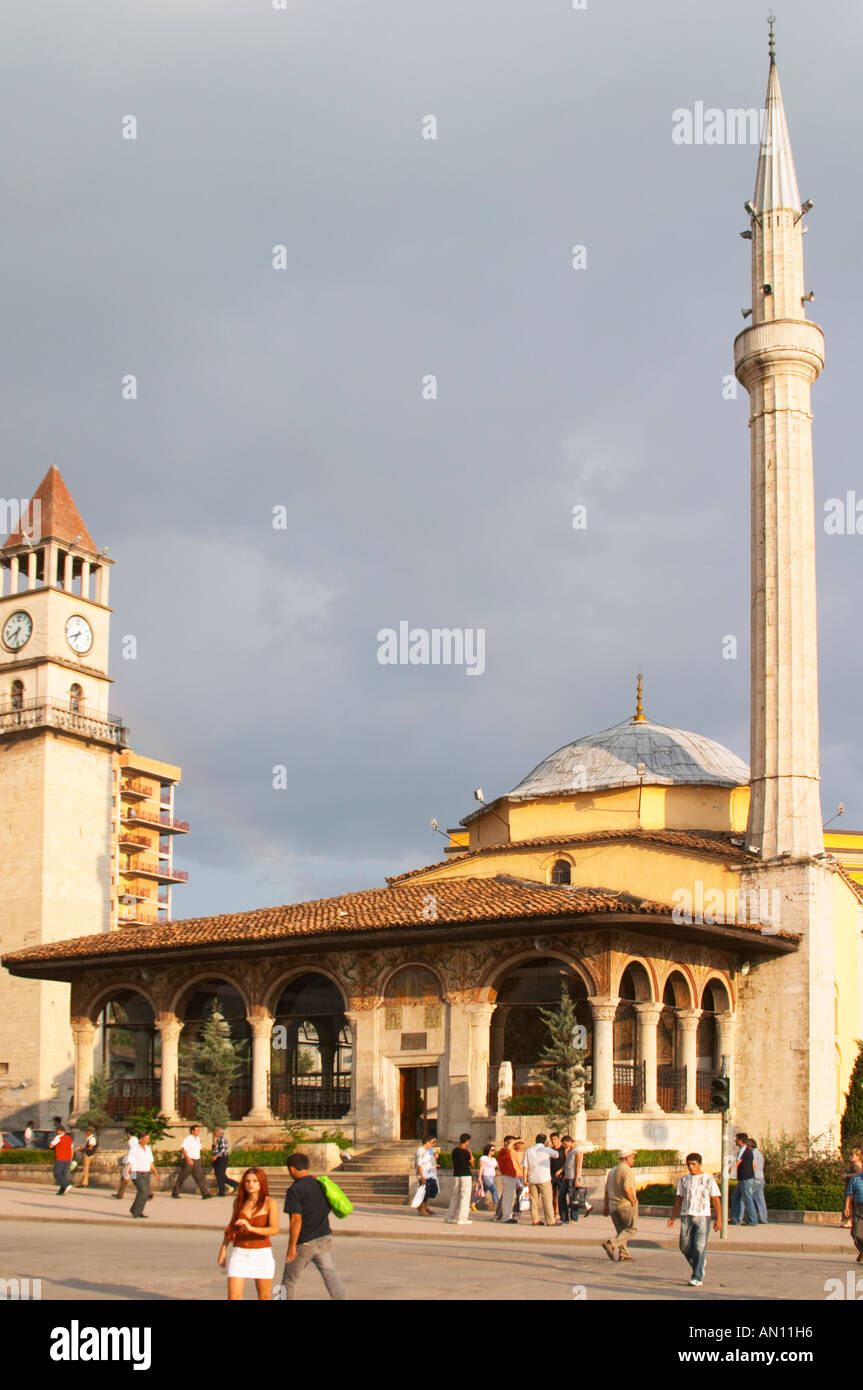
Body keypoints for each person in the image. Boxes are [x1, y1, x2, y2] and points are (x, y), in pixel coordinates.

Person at [280, 1153, 347, 1299]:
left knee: (289, 1281)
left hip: (305, 1242)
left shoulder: (295, 1190)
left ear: (291, 1169)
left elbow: (296, 1219)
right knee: (331, 1276)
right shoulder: (320, 1183)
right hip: (325, 1237)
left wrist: (292, 1246)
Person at [218, 1168, 280, 1299]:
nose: (250, 1184)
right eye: (247, 1181)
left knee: (264, 1297)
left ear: (261, 1183)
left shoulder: (270, 1203)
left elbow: (274, 1230)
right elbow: (231, 1227)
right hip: (240, 1253)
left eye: (255, 1181)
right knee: (233, 1297)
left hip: (262, 1254)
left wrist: (251, 1228)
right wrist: (223, 1249)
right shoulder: (239, 1202)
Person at [666, 1152, 722, 1286]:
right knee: (684, 1245)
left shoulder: (709, 1179)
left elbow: (716, 1199)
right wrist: (673, 1217)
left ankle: (697, 1276)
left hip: (702, 1216)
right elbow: (679, 1199)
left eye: (694, 1164)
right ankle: (699, 1263)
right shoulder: (684, 1180)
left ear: (700, 1164)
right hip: (686, 1215)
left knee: (699, 1246)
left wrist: (719, 1219)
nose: (691, 1167)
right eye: (689, 1164)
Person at [602, 1147, 639, 1262]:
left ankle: (623, 1254)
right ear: (626, 1158)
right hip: (625, 1204)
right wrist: (633, 1200)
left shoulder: (612, 1171)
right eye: (632, 1157)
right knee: (632, 1228)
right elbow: (627, 1188)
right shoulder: (626, 1170)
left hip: (613, 1205)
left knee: (621, 1231)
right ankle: (611, 1243)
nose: (634, 1160)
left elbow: (606, 1190)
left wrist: (606, 1206)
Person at [523, 1133, 558, 1227]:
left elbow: (525, 1166)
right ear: (545, 1141)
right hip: (544, 1178)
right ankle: (550, 1220)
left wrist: (525, 1179)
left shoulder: (529, 1150)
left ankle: (535, 1220)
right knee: (547, 1200)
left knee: (533, 1201)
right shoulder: (546, 1150)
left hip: (532, 1178)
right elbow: (556, 1155)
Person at [171, 1124, 212, 1200]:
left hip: (197, 1161)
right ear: (192, 1131)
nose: (198, 1131)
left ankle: (205, 1193)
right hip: (189, 1161)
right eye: (197, 1130)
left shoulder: (198, 1139)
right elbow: (183, 1149)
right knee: (182, 1177)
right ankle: (175, 1192)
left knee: (200, 1177)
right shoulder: (188, 1139)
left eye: (199, 1130)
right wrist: (188, 1159)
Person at [729, 1133, 761, 1226]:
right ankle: (735, 1219)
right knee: (735, 1197)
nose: (735, 1141)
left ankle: (753, 1221)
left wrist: (727, 1173)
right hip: (744, 1178)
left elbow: (737, 1163)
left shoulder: (744, 1150)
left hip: (745, 1178)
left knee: (747, 1199)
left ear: (740, 1140)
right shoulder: (747, 1150)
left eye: (736, 1139)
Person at [446, 1133, 475, 1225]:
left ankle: (450, 1217)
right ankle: (462, 1218)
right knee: (465, 1197)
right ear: (467, 1141)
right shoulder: (466, 1151)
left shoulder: (454, 1150)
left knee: (454, 1196)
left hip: (456, 1175)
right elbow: (472, 1163)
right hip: (465, 1175)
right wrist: (471, 1155)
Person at [128, 1131, 156, 1219]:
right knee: (143, 1191)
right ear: (141, 1140)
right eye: (147, 1139)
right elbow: (130, 1162)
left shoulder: (148, 1148)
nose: (148, 1140)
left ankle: (139, 1211)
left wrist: (154, 1171)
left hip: (146, 1173)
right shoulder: (134, 1149)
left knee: (145, 1193)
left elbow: (150, 1161)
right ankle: (135, 1210)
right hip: (135, 1173)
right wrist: (127, 1175)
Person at [497, 1135, 522, 1223]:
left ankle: (508, 1215)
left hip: (511, 1176)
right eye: (511, 1143)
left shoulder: (509, 1152)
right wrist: (514, 1142)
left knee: (510, 1197)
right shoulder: (504, 1150)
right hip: (507, 1176)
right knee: (507, 1197)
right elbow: (508, 1148)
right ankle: (505, 1217)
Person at [842, 1163, 863, 1264]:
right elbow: (850, 1193)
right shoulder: (855, 1179)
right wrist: (847, 1207)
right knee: (856, 1234)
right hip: (858, 1208)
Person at [414, 1136, 439, 1216]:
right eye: (431, 1142)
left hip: (429, 1173)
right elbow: (419, 1164)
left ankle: (424, 1206)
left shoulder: (427, 1150)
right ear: (427, 1142)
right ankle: (422, 1208)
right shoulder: (420, 1151)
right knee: (425, 1191)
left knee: (432, 1190)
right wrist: (421, 1176)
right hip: (424, 1174)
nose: (432, 1144)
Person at [211, 1127, 238, 1197]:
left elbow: (222, 1150)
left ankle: (222, 1192)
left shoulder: (222, 1139)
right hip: (219, 1159)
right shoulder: (218, 1140)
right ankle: (236, 1184)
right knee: (220, 1175)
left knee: (220, 1175)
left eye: (215, 1132)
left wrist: (216, 1156)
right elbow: (217, 1149)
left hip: (222, 1158)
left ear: (219, 1133)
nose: (214, 1134)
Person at [49, 1122, 74, 1195]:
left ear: (59, 1131)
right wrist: (71, 1159)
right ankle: (62, 1190)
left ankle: (66, 1185)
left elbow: (51, 1146)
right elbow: (71, 1149)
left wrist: (52, 1141)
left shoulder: (58, 1137)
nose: (57, 1132)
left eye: (57, 1131)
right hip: (68, 1158)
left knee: (56, 1174)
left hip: (60, 1158)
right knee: (63, 1175)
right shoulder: (69, 1138)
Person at [114, 1129, 139, 1199]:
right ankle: (120, 1194)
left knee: (128, 1178)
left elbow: (132, 1152)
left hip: (132, 1163)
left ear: (128, 1133)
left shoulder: (131, 1141)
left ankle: (120, 1194)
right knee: (131, 1178)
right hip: (135, 1162)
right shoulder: (136, 1139)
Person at [748, 1137, 768, 1224]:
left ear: (750, 1146)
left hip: (755, 1178)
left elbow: (754, 1165)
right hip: (761, 1178)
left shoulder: (753, 1154)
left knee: (746, 1197)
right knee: (760, 1199)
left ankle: (751, 1219)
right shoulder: (759, 1153)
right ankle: (763, 1218)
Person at [478, 1143, 500, 1213]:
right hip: (487, 1176)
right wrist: (479, 1177)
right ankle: (497, 1205)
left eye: (494, 1150)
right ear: (488, 1150)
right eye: (492, 1150)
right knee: (494, 1190)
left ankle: (473, 1203)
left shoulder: (494, 1159)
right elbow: (481, 1167)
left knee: (483, 1191)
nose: (494, 1151)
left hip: (492, 1176)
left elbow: (498, 1166)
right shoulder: (483, 1158)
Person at [549, 1133, 566, 1222]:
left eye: (555, 1139)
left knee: (560, 1194)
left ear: (559, 1139)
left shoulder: (563, 1150)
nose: (554, 1141)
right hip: (552, 1174)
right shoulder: (551, 1150)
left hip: (561, 1175)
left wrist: (560, 1171)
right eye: (552, 1139)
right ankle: (555, 1212)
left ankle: (560, 1212)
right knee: (553, 1194)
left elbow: (566, 1162)